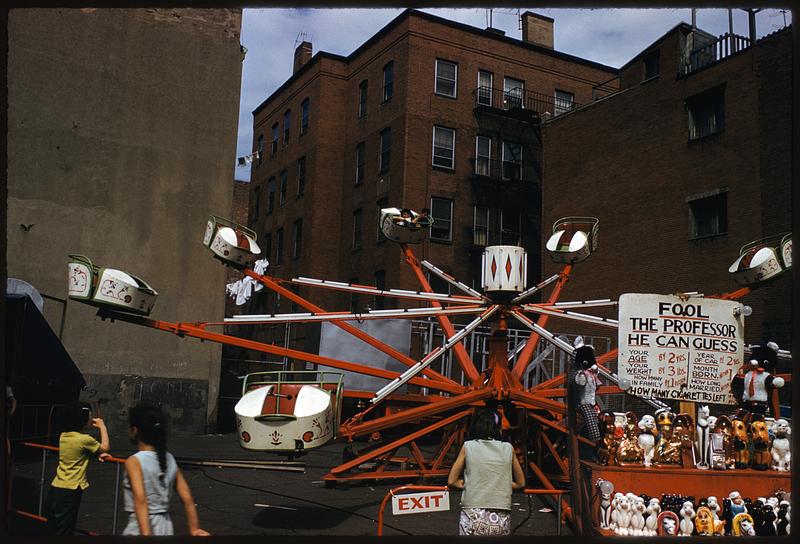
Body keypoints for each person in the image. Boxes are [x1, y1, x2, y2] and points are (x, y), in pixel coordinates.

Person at [122, 404, 209, 536]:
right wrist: (194, 529)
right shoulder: (170, 458)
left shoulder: (134, 461)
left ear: (135, 430)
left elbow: (141, 500)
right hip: (165, 526)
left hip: (139, 527)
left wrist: (146, 535)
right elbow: (187, 497)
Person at [447, 409, 526, 536]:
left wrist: (471, 482)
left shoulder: (468, 446)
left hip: (473, 509)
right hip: (501, 511)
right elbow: (521, 483)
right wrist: (501, 483)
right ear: (498, 428)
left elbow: (451, 481)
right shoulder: (508, 448)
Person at [44, 403, 111, 535]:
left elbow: (77, 453)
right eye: (89, 415)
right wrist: (102, 426)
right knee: (65, 529)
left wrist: (94, 454)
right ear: (83, 420)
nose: (91, 417)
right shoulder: (84, 440)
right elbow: (105, 447)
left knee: (54, 527)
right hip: (71, 489)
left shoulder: (64, 436)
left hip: (56, 486)